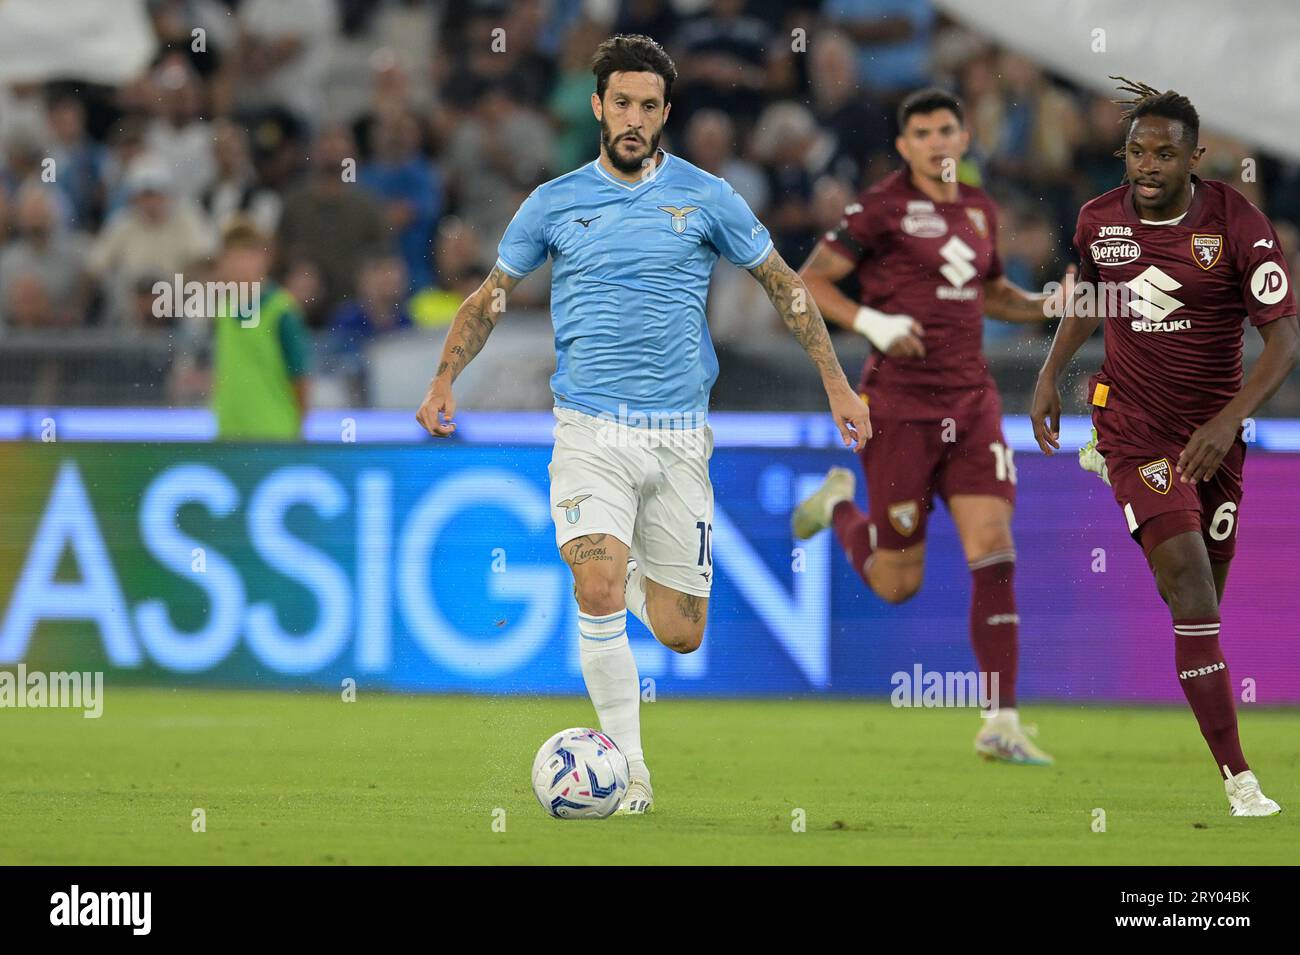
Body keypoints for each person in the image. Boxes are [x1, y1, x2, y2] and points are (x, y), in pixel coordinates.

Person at [416, 34, 870, 815]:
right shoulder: (553, 203)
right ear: (597, 106)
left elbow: (784, 285)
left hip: (679, 436)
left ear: (666, 113)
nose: (633, 118)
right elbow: (491, 296)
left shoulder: (708, 197)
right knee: (594, 584)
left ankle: (617, 563)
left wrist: (836, 381)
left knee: (680, 630)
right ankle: (631, 771)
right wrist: (443, 375)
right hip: (590, 428)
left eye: (649, 106)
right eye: (621, 103)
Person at [1032, 78, 1297, 816]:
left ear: (1195, 158)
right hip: (1134, 426)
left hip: (1216, 436)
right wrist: (1051, 375)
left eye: (1163, 153)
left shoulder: (1237, 224)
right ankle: (1240, 780)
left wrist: (1226, 424)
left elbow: (1285, 342)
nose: (1145, 165)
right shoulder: (1098, 220)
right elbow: (1090, 297)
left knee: (1203, 594)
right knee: (1189, 587)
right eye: (1136, 152)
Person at [792, 88, 1073, 764]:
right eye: (923, 133)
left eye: (948, 128)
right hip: (899, 408)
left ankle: (1000, 719)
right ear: (904, 146)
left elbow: (990, 291)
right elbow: (810, 282)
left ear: (965, 135)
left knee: (994, 547)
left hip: (969, 402)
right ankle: (836, 507)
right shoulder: (881, 209)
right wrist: (872, 321)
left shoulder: (979, 207)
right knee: (897, 583)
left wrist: (1041, 303)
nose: (939, 142)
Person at [210, 218, 311, 440]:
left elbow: (300, 377)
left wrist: (299, 428)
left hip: (273, 436)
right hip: (229, 435)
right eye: (231, 254)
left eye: (246, 253)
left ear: (264, 258)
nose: (237, 263)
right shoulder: (224, 309)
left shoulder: (281, 312)